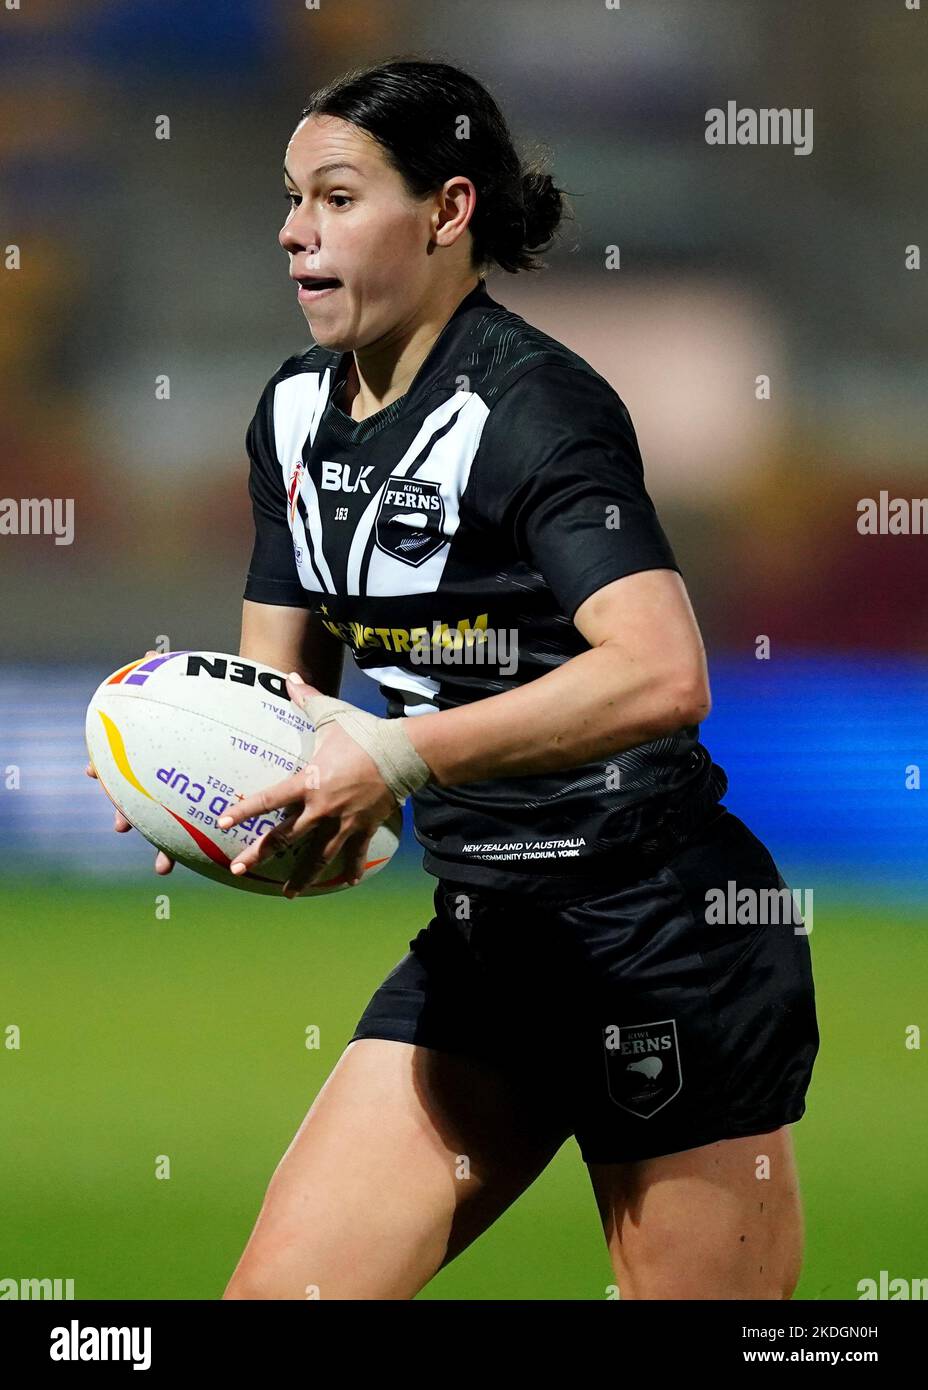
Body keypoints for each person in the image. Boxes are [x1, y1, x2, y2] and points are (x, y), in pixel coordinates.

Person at [90, 57, 819, 1300]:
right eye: (289, 199)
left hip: (659, 936)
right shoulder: (292, 418)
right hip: (487, 939)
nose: (290, 230)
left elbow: (661, 672)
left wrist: (402, 754)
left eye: (333, 196)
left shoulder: (533, 407)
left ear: (446, 210)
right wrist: (220, 792)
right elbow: (282, 698)